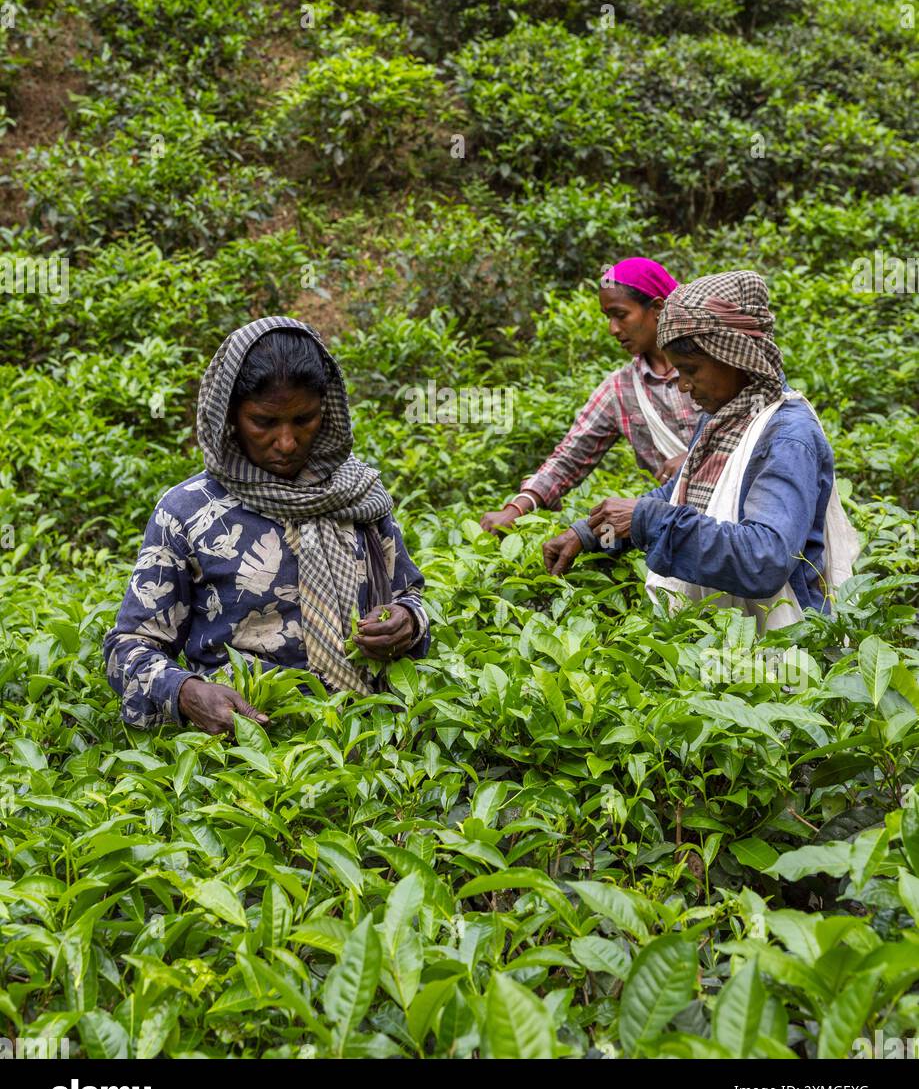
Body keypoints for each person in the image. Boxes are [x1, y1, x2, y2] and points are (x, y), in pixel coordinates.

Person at [104, 317, 430, 734]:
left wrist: (406, 620)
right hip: (249, 757)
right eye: (264, 422)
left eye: (304, 419)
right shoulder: (187, 512)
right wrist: (186, 692)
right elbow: (128, 646)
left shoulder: (358, 493)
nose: (287, 442)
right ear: (231, 417)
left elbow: (409, 595)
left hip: (374, 739)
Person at [579, 271, 859, 627]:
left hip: (787, 650)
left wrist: (647, 519)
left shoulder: (787, 436)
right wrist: (590, 532)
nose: (682, 385)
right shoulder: (724, 416)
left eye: (691, 370)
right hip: (726, 642)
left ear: (735, 357)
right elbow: (681, 492)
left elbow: (764, 559)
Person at [479, 257, 698, 576]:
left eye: (620, 315)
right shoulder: (621, 390)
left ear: (658, 308)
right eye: (607, 317)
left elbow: (759, 428)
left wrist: (695, 458)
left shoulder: (713, 364)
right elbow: (569, 459)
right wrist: (516, 508)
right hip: (679, 530)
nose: (612, 329)